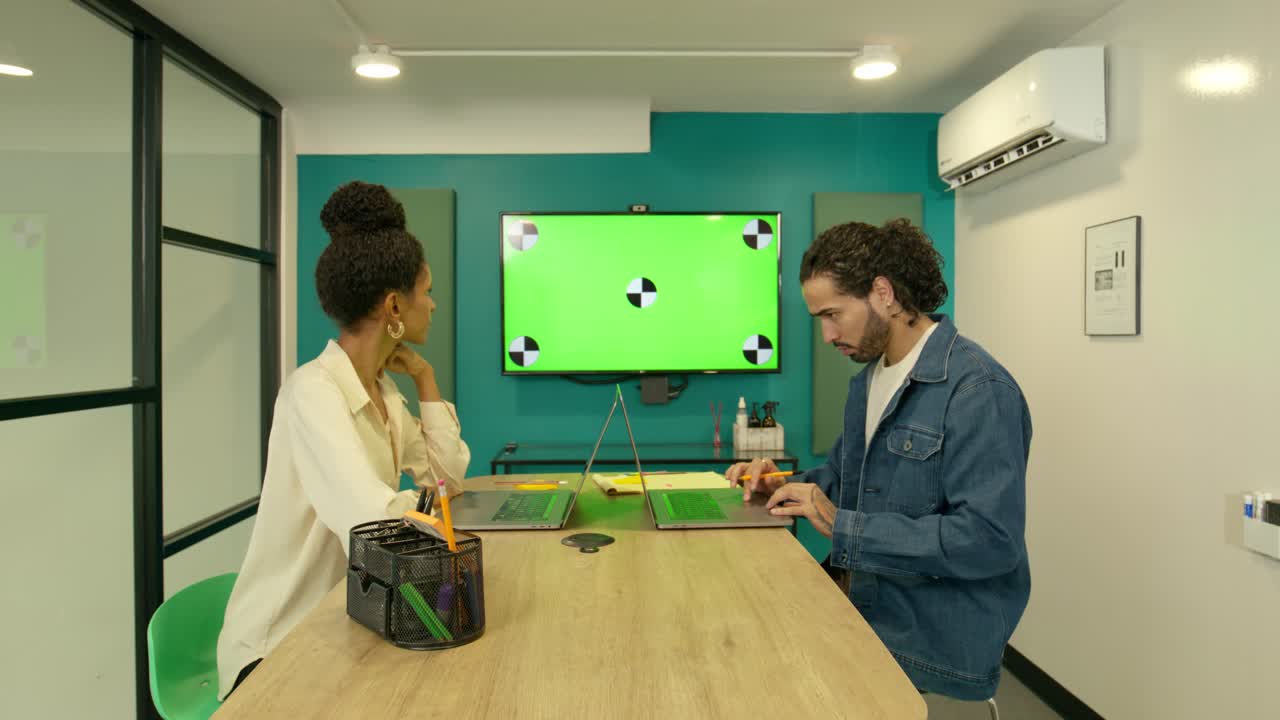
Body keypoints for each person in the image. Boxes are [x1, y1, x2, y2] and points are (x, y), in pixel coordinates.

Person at [727, 218, 1031, 701]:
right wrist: (782, 483)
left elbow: (990, 541)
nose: (827, 336)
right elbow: (847, 480)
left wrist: (841, 525)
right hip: (861, 600)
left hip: (925, 636)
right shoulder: (867, 381)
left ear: (883, 293)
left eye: (833, 314)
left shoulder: (977, 390)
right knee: (736, 636)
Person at [216, 181, 470, 699]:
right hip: (278, 648)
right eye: (426, 291)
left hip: (348, 623)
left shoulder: (385, 391)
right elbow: (370, 521)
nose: (434, 305)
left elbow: (448, 478)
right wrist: (429, 509)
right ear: (394, 306)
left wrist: (424, 378)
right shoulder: (312, 392)